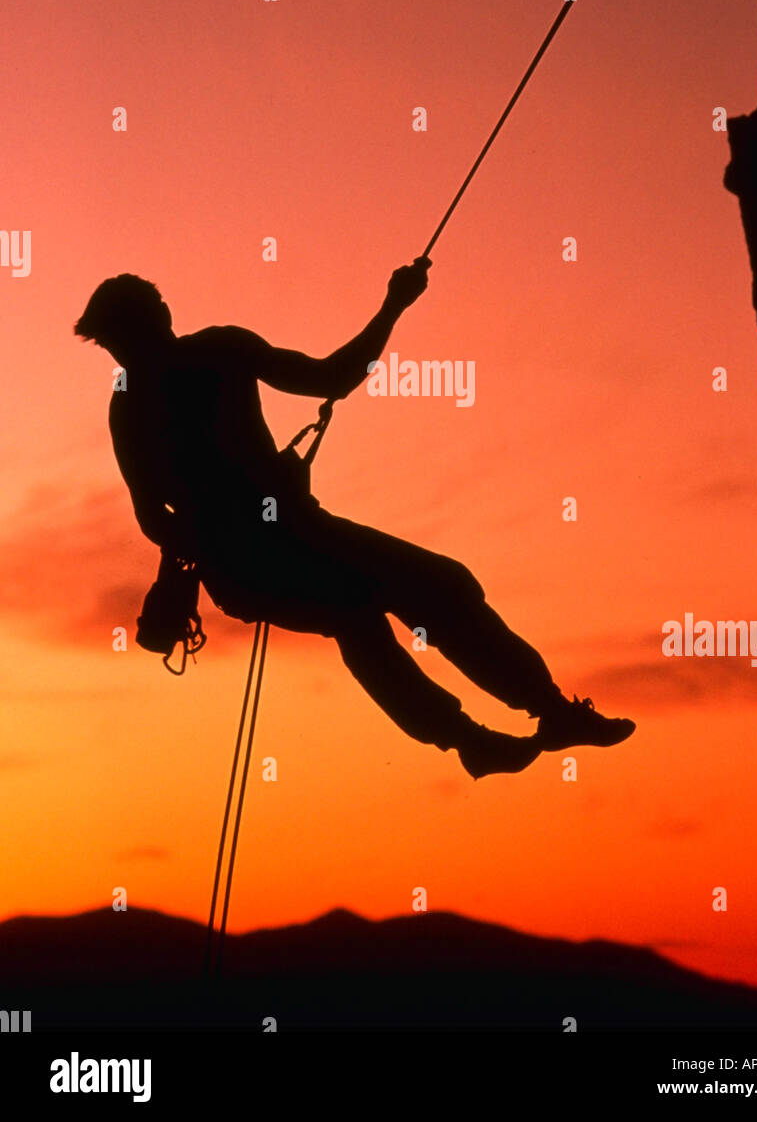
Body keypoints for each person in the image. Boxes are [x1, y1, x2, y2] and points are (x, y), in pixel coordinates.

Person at [74, 266, 635, 778]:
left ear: (150, 323)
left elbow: (154, 518)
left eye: (117, 341)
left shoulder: (169, 382)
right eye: (113, 347)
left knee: (423, 592)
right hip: (263, 554)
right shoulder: (193, 368)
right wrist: (393, 306)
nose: (121, 358)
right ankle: (483, 733)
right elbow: (332, 379)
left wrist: (394, 307)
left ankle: (522, 722)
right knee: (372, 609)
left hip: (279, 545)